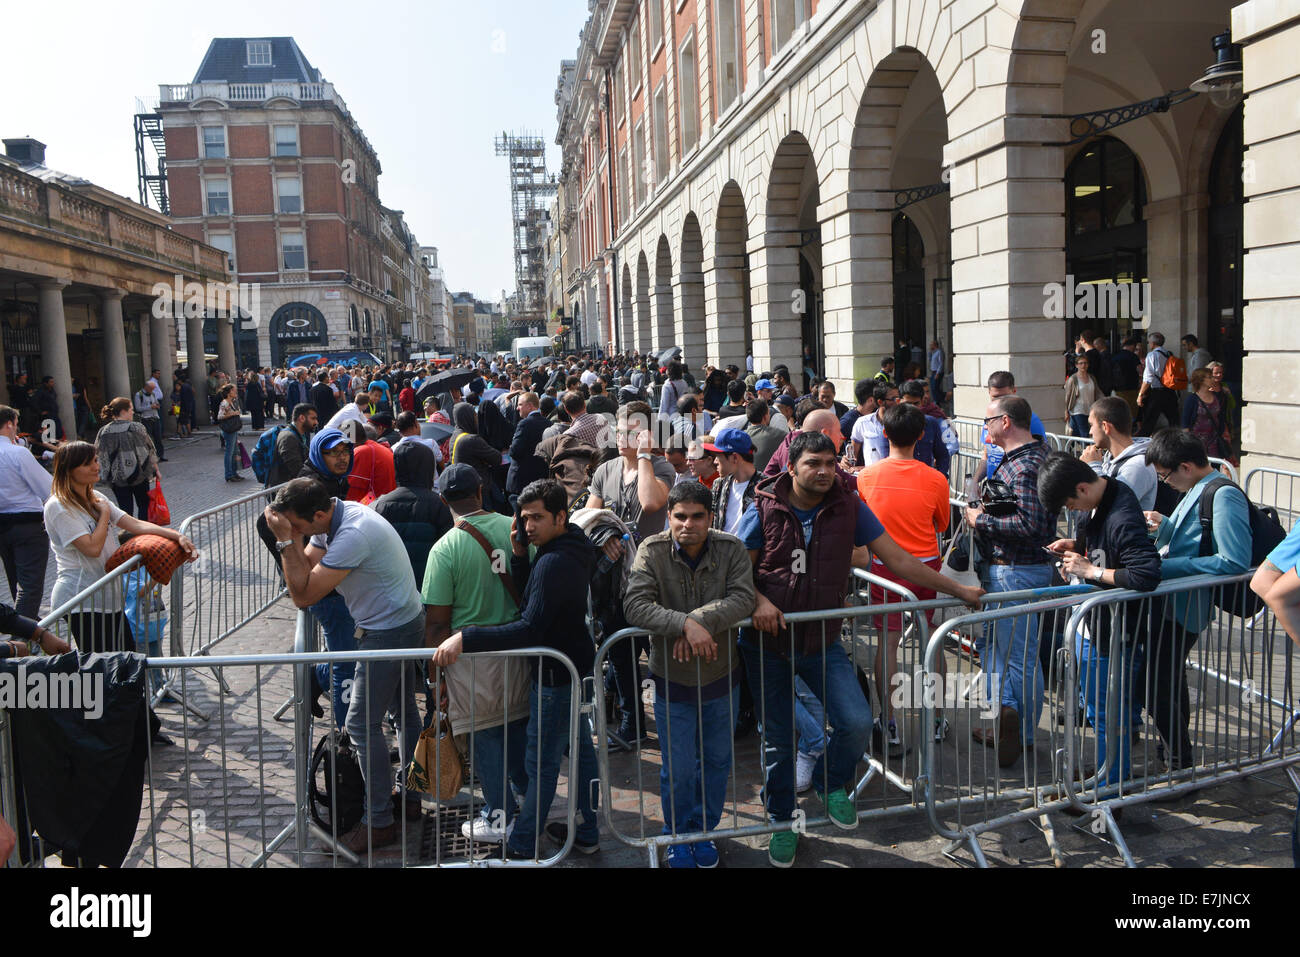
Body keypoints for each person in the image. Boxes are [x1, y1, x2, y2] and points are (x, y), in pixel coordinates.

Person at [739, 431, 982, 866]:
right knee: (778, 743)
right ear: (792, 467)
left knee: (854, 720)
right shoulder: (762, 506)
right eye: (814, 463)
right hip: (767, 646)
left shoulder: (849, 506)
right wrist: (758, 602)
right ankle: (782, 823)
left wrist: (955, 588)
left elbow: (900, 559)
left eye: (831, 463)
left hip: (822, 641)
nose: (824, 471)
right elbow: (736, 568)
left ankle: (831, 782)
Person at [432, 479, 602, 860]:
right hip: (571, 666)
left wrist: (466, 638)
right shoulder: (567, 544)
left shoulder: (556, 560)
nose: (528, 526)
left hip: (556, 675)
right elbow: (535, 603)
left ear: (561, 515)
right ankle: (588, 829)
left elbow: (530, 625)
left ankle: (525, 842)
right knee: (580, 753)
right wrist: (521, 557)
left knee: (540, 763)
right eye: (524, 518)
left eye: (537, 518)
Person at [266, 478, 426, 854]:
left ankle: (380, 821)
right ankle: (414, 795)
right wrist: (292, 538)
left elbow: (303, 594)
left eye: (300, 527)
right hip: (397, 621)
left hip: (389, 630)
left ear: (318, 515)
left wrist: (285, 540)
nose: (297, 534)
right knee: (402, 711)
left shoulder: (352, 532)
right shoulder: (334, 518)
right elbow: (304, 571)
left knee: (360, 723)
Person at [624, 481, 755, 867]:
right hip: (671, 682)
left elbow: (744, 596)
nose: (688, 524)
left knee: (715, 764)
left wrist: (697, 622)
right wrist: (682, 624)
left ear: (710, 517)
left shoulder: (730, 548)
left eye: (697, 516)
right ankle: (679, 834)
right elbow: (634, 604)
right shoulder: (652, 549)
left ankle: (704, 832)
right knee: (678, 769)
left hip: (721, 679)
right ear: (669, 517)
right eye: (680, 516)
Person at [45, 441, 195, 747]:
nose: (96, 466)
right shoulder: (58, 506)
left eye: (95, 460)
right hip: (82, 601)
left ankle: (141, 728)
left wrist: (176, 536)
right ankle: (116, 734)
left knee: (127, 664)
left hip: (109, 598)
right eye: (88, 463)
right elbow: (91, 547)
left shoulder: (96, 497)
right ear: (69, 470)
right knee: (103, 671)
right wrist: (102, 518)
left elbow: (134, 523)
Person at [421, 464, 530, 845]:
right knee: (516, 728)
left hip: (471, 658)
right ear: (480, 492)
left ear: (442, 500)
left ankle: (498, 816)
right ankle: (523, 799)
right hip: (519, 648)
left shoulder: (444, 548)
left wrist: (434, 678)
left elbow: (436, 623)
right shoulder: (516, 528)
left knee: (486, 739)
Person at [1038, 453, 1161, 785]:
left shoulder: (1121, 513)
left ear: (1081, 487)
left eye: (1071, 506)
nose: (1073, 512)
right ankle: (1107, 778)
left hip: (1112, 634)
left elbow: (1145, 574)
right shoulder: (1100, 495)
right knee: (1101, 714)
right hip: (1093, 625)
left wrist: (1089, 570)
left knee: (1109, 718)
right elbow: (1105, 545)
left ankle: (1111, 787)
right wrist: (1077, 545)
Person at [1142, 428, 1250, 770]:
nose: (1164, 483)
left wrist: (1170, 565)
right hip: (1174, 601)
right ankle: (1173, 754)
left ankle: (1179, 759)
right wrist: (1163, 527)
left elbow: (1234, 560)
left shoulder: (1223, 495)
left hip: (1186, 605)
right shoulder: (1195, 487)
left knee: (1158, 684)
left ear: (1185, 466)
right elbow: (1192, 534)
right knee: (1168, 681)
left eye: (1164, 476)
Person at [965, 395, 1056, 768]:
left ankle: (1018, 727)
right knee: (1004, 654)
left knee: (1018, 658)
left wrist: (979, 520)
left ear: (1005, 422)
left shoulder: (1027, 464)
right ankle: (1008, 722)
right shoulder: (1024, 460)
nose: (984, 429)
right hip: (1011, 569)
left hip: (1016, 570)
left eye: (988, 422)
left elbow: (1030, 525)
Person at [856, 404, 952, 754]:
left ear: (884, 434)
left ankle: (891, 722)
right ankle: (939, 718)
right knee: (933, 641)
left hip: (885, 569)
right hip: (927, 567)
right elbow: (942, 523)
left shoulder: (866, 477)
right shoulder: (935, 478)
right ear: (922, 436)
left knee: (889, 642)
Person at [587, 401, 676, 745]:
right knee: (622, 652)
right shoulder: (604, 471)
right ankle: (632, 721)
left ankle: (655, 711)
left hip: (653, 574)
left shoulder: (661, 468)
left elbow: (652, 503)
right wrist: (604, 538)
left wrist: (643, 458)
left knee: (650, 650)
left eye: (634, 430)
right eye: (621, 429)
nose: (624, 435)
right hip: (614, 580)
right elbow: (589, 521)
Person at [0, 405, 53, 619]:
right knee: (29, 583)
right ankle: (22, 634)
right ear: (10, 424)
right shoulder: (17, 453)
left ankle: (24, 622)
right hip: (27, 524)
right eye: (15, 425)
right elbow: (46, 488)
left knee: (16, 578)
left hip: (3, 524)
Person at [1080, 396, 1157, 511]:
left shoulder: (1138, 465)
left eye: (1091, 425)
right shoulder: (1109, 457)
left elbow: (1112, 504)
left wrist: (1093, 466)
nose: (1090, 432)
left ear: (1105, 427)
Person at [96, 396, 159, 520]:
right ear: (123, 411)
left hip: (116, 477)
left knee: (124, 511)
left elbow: (100, 455)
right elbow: (148, 450)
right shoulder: (136, 427)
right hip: (138, 475)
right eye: (131, 409)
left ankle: (128, 537)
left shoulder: (104, 431)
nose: (133, 412)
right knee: (144, 505)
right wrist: (155, 469)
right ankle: (143, 536)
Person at [980, 371, 1046, 482]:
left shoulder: (1030, 419)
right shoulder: (990, 420)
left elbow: (1040, 455)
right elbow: (986, 456)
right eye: (995, 398)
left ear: (1014, 391)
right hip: (996, 488)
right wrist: (975, 481)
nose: (1000, 402)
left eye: (1004, 397)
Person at [705, 429, 757, 536]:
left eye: (718, 456)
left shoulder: (764, 488)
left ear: (734, 457)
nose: (715, 462)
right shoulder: (718, 484)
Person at [1181, 368, 1230, 460]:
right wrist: (1187, 443)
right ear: (1201, 380)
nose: (1213, 379)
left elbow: (1222, 417)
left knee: (1214, 467)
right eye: (1210, 377)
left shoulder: (1217, 397)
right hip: (1196, 442)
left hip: (1214, 441)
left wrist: (1223, 433)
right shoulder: (1192, 399)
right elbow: (1185, 423)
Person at [1136, 332, 1180, 436]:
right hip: (1170, 391)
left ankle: (1141, 443)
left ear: (1153, 343)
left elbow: (1148, 378)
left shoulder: (1152, 355)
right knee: (1174, 421)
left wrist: (1140, 394)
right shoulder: (1169, 354)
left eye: (1148, 342)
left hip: (1157, 392)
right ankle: (1178, 441)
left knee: (1149, 421)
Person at [1063, 353, 1099, 437]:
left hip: (1090, 409)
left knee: (1074, 432)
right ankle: (1086, 448)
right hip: (1077, 410)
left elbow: (1097, 392)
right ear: (1076, 365)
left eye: (1085, 363)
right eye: (1081, 363)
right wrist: (1066, 411)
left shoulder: (1092, 378)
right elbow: (1067, 396)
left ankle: (1070, 447)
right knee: (1085, 432)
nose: (1083, 365)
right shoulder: (1073, 379)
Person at [216, 384, 244, 482]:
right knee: (229, 452)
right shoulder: (224, 403)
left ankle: (234, 472)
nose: (235, 392)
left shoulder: (232, 402)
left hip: (233, 429)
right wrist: (233, 413)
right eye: (233, 391)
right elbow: (219, 416)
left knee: (235, 452)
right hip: (229, 430)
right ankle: (229, 474)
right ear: (228, 393)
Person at [133, 379, 166, 462]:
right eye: (151, 388)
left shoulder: (153, 394)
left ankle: (160, 455)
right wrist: (150, 407)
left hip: (155, 418)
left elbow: (156, 402)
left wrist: (157, 405)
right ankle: (150, 457)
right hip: (146, 419)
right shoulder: (138, 395)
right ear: (146, 387)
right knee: (148, 439)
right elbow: (137, 408)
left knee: (158, 438)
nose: (152, 390)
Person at [1110, 335, 1144, 417]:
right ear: (1132, 346)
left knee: (1120, 410)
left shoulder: (1115, 356)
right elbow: (1140, 370)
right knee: (1131, 411)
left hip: (1118, 388)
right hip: (1131, 387)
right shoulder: (1133, 357)